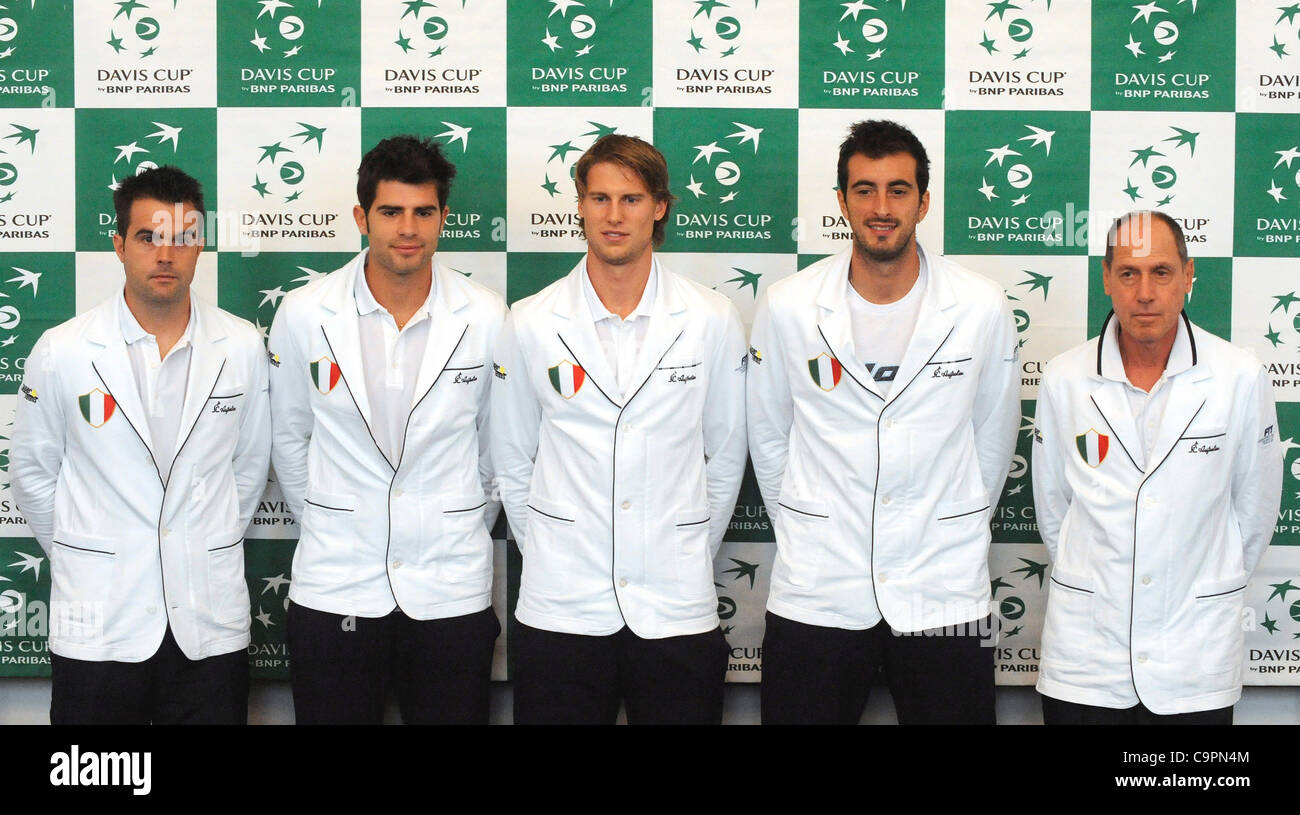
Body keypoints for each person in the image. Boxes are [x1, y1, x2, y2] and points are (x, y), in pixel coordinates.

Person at [746, 119, 1020, 724]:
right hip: (819, 584)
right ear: (841, 201)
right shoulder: (789, 304)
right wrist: (806, 522)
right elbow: (768, 437)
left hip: (944, 587)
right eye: (864, 189)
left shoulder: (980, 305)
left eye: (898, 190)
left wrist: (957, 518)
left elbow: (994, 437)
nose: (881, 207)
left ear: (925, 200)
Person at [491, 134, 747, 724]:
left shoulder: (711, 319)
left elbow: (727, 453)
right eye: (599, 198)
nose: (613, 215)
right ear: (579, 205)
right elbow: (511, 455)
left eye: (630, 199)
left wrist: (685, 551)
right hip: (561, 607)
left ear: (659, 207)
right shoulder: (531, 320)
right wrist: (552, 551)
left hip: (676, 604)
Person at [9, 166, 271, 724]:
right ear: (120, 245)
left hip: (206, 622)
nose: (165, 254)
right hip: (99, 623)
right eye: (149, 237)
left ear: (199, 244)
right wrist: (93, 558)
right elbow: (32, 476)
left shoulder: (243, 346)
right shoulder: (63, 351)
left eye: (181, 237)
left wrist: (197, 543)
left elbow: (247, 471)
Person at [268, 135, 506, 724]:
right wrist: (334, 519)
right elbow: (288, 440)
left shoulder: (486, 315)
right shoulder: (303, 313)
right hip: (335, 584)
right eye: (391, 212)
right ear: (361, 217)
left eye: (424, 212)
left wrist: (447, 522)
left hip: (451, 586)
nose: (409, 228)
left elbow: (499, 451)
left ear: (443, 218)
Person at [1032, 211, 1282, 724]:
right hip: (1086, 660)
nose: (1144, 292)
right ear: (1106, 278)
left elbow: (1253, 516)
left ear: (1188, 275)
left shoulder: (1238, 376)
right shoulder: (1063, 378)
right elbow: (1054, 512)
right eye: (1128, 273)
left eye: (1161, 272)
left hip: (1195, 657)